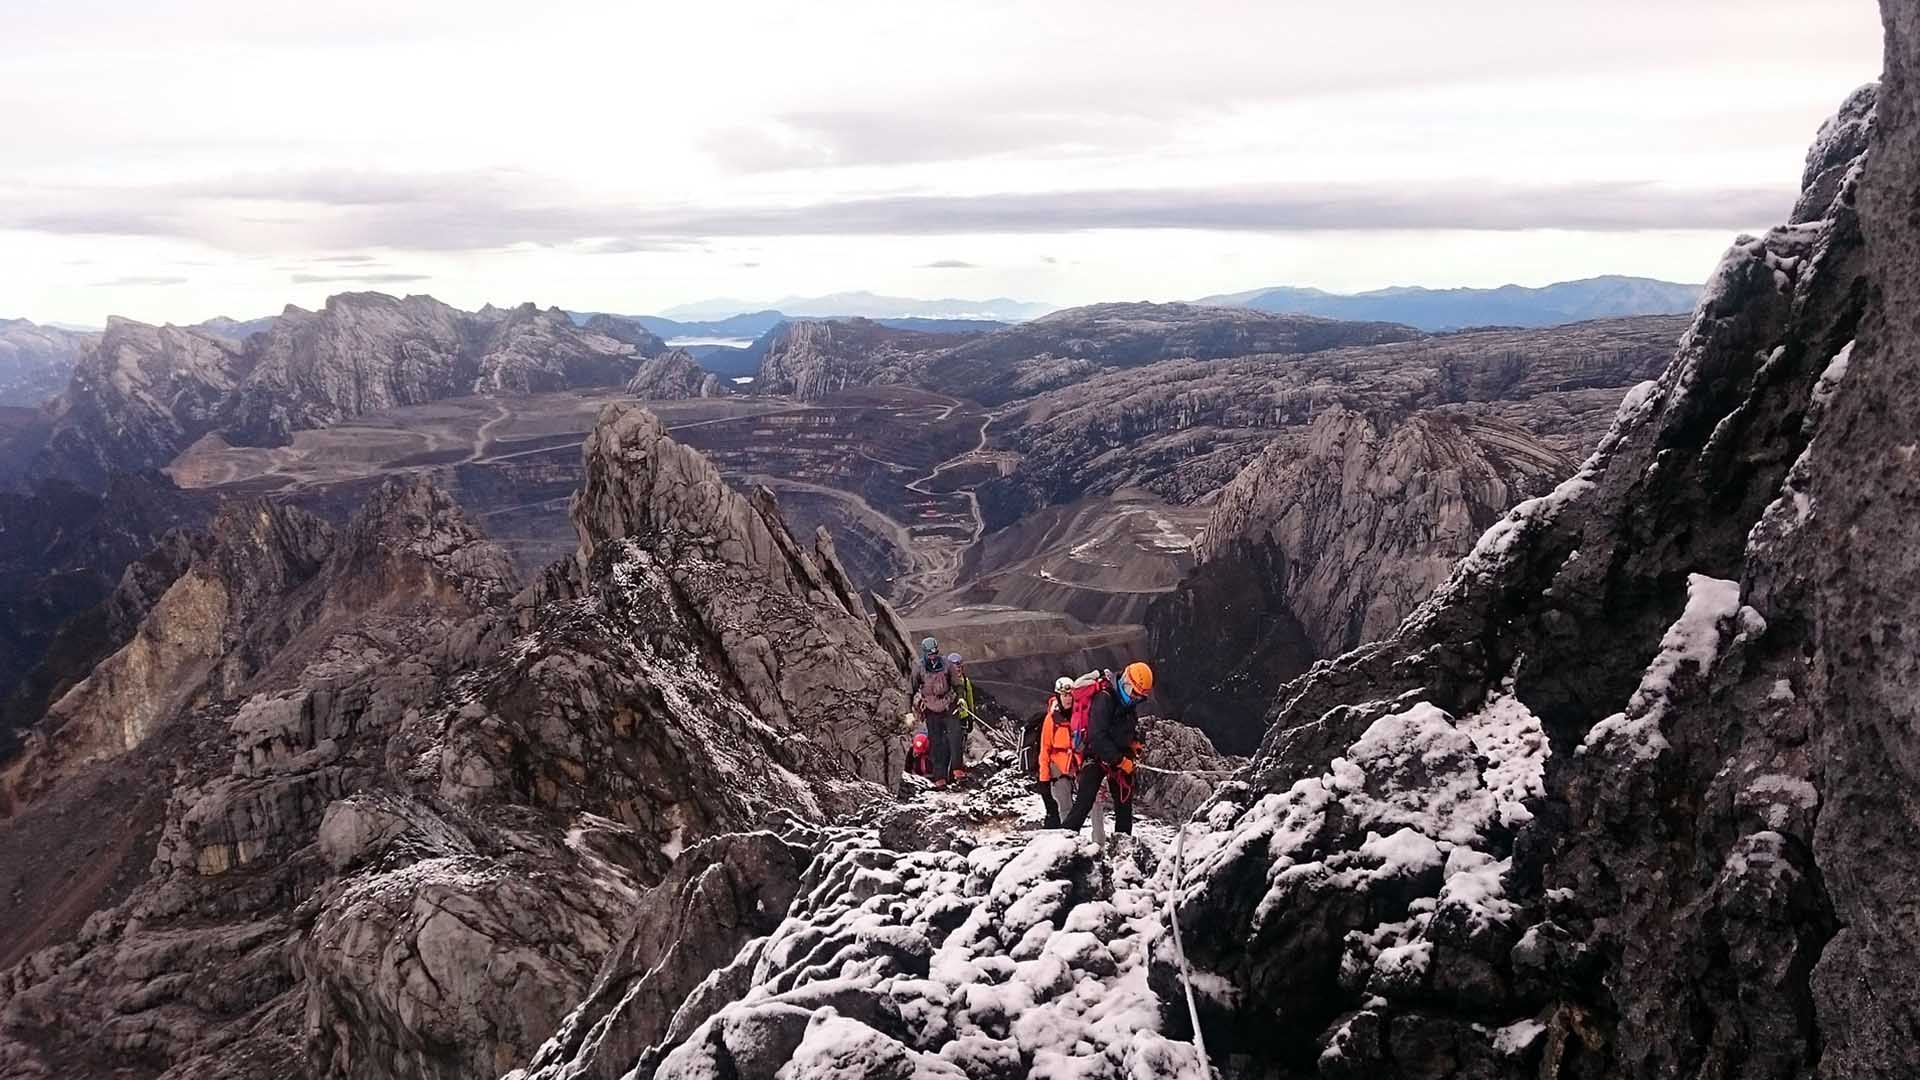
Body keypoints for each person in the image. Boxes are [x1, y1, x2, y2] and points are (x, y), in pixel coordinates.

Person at [1060, 661, 1153, 837]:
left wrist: (1132, 743)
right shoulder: (1105, 698)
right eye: (1135, 693)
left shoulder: (1125, 702)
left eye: (1140, 697)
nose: (1136, 699)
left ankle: (1123, 846)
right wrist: (1120, 760)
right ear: (1126, 683)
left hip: (1117, 755)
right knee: (1084, 802)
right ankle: (1063, 843)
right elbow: (1097, 737)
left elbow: (1125, 727)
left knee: (1124, 808)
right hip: (1096, 756)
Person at [1028, 676, 1077, 828]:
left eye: (1070, 695)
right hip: (1057, 768)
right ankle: (1068, 838)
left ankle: (1068, 836)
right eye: (1065, 695)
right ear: (1058, 696)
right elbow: (1045, 749)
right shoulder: (1051, 720)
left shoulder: (1078, 715)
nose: (1068, 699)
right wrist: (1044, 779)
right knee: (1065, 805)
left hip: (1073, 767)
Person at [911, 637, 958, 788]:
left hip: (948, 705)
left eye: (934, 653)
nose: (933, 656)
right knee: (936, 743)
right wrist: (908, 711)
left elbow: (957, 684)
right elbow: (911, 688)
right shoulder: (919, 667)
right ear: (924, 653)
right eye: (930, 654)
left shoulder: (947, 664)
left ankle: (957, 770)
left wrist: (961, 699)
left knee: (954, 737)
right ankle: (940, 778)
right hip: (930, 708)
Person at [945, 652, 975, 780]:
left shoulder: (965, 681)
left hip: (962, 717)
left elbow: (970, 700)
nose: (957, 670)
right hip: (950, 717)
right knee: (950, 745)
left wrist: (971, 718)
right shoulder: (946, 682)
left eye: (958, 667)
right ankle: (951, 771)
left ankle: (955, 770)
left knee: (959, 745)